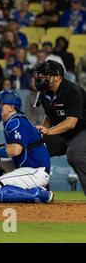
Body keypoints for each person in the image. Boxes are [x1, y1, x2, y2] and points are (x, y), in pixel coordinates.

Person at [0, 90, 53, 203]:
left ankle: (38, 194)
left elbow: (15, 150)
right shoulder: (14, 121)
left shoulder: (15, 121)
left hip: (35, 171)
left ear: (11, 107)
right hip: (31, 169)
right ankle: (37, 192)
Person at [33, 60, 86, 195]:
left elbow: (71, 122)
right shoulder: (44, 93)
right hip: (64, 133)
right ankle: (42, 193)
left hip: (82, 130)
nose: (40, 77)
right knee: (35, 148)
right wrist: (41, 134)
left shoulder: (73, 91)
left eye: (45, 74)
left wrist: (49, 131)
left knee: (75, 154)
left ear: (58, 77)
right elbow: (50, 116)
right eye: (40, 74)